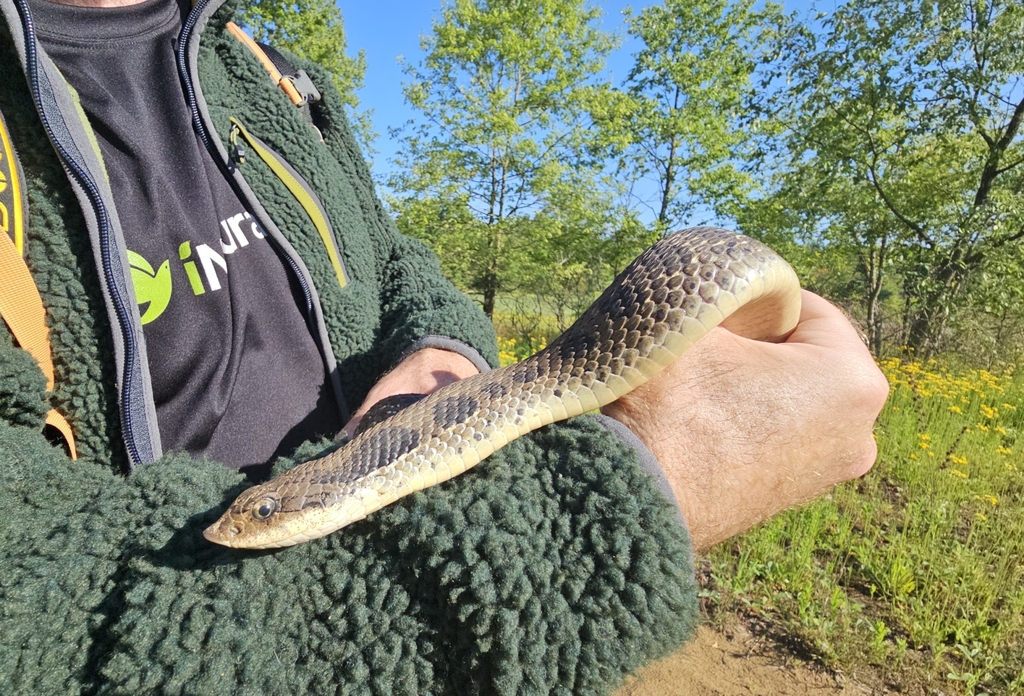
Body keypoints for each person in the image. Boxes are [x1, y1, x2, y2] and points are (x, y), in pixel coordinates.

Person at [0, 0, 888, 692]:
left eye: (262, 514)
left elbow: (392, 259)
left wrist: (443, 348)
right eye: (261, 514)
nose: (245, 526)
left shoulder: (260, 68)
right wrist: (641, 476)